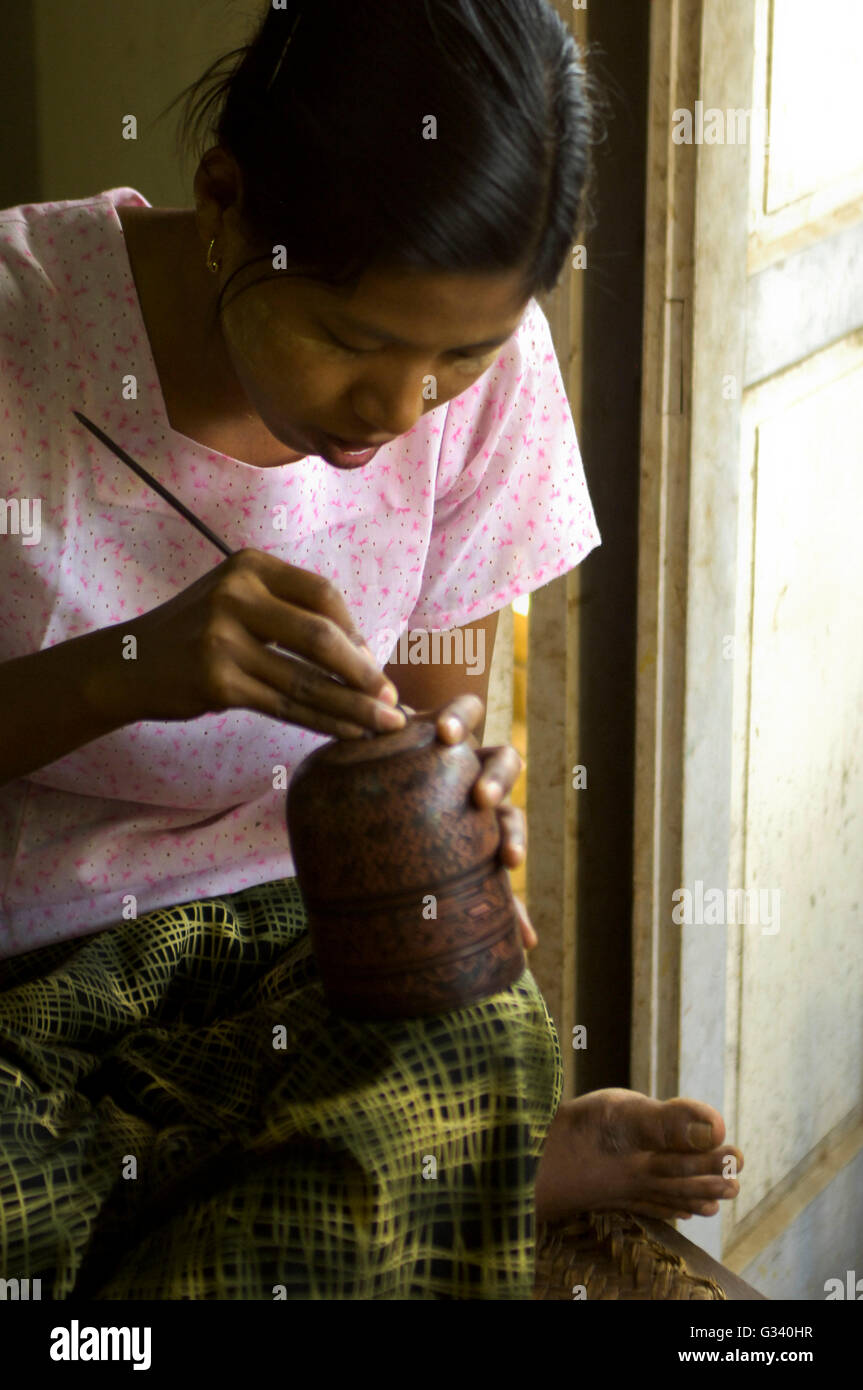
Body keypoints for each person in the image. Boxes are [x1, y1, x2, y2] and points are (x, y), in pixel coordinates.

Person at [0, 0, 741, 1300]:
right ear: (223, 201)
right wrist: (131, 666)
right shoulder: (24, 329)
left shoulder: (487, 377)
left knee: (477, 1032)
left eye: (460, 355)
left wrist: (454, 803)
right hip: (34, 959)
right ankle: (460, 1171)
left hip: (310, 929)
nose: (402, 408)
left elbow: (438, 707)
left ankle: (387, 1150)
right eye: (351, 339)